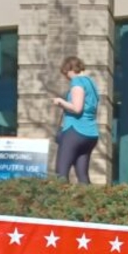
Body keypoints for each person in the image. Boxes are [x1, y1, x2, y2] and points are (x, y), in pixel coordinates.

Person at [51, 55, 98, 183]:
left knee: (61, 174)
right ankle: (89, 202)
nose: (66, 77)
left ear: (70, 69)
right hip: (91, 133)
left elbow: (77, 108)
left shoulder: (77, 82)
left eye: (65, 73)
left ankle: (59, 203)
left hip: (75, 131)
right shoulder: (92, 83)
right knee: (82, 175)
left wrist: (60, 101)